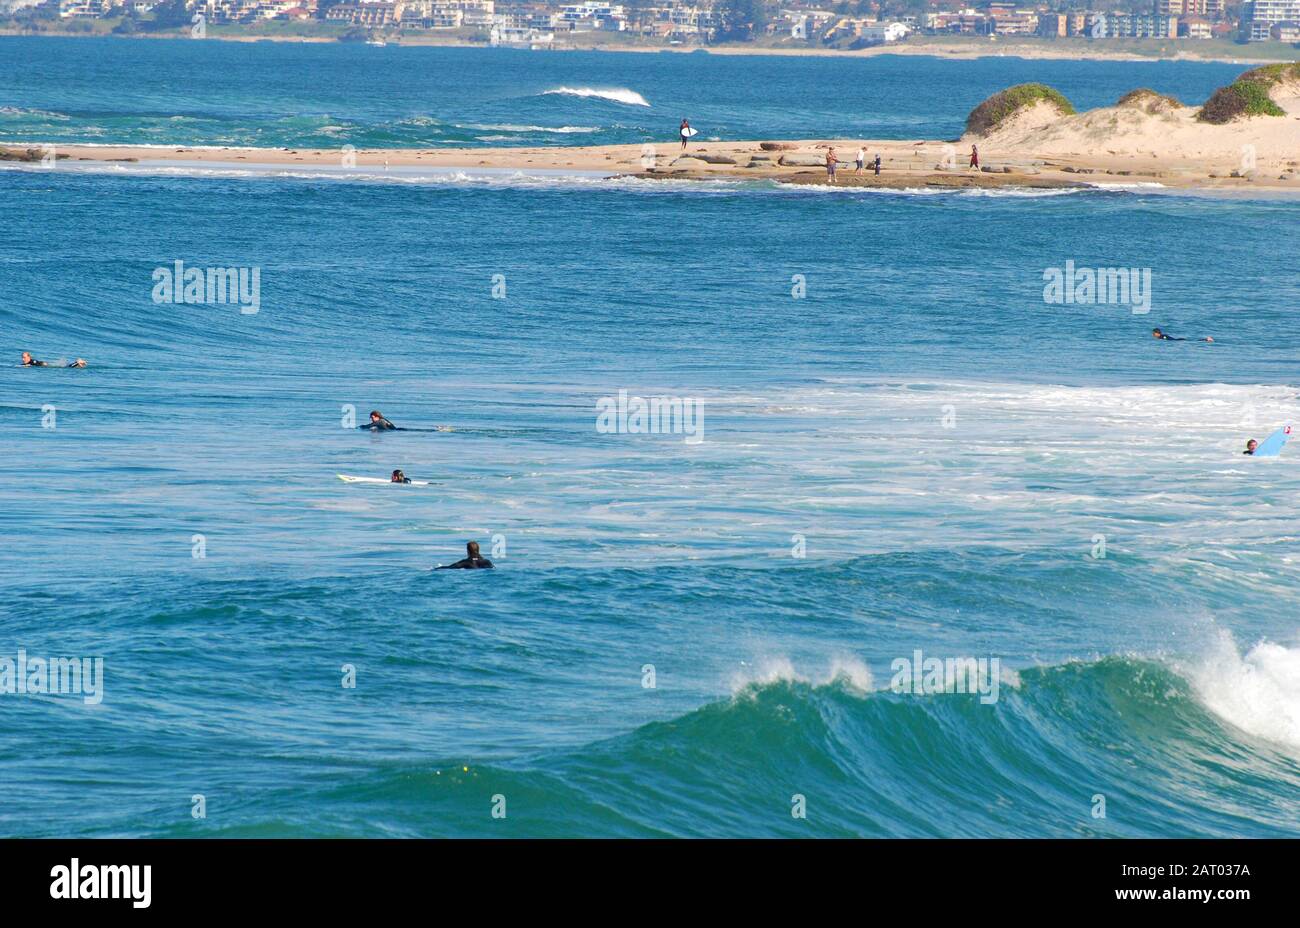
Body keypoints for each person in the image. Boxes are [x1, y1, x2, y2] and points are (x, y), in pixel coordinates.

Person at [21, 351, 86, 368]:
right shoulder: (27, 363)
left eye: (24, 357)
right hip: (46, 366)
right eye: (22, 357)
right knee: (66, 366)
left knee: (67, 367)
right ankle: (78, 364)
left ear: (29, 357)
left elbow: (37, 363)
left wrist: (43, 364)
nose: (23, 359)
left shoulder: (32, 361)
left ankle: (77, 362)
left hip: (47, 366)